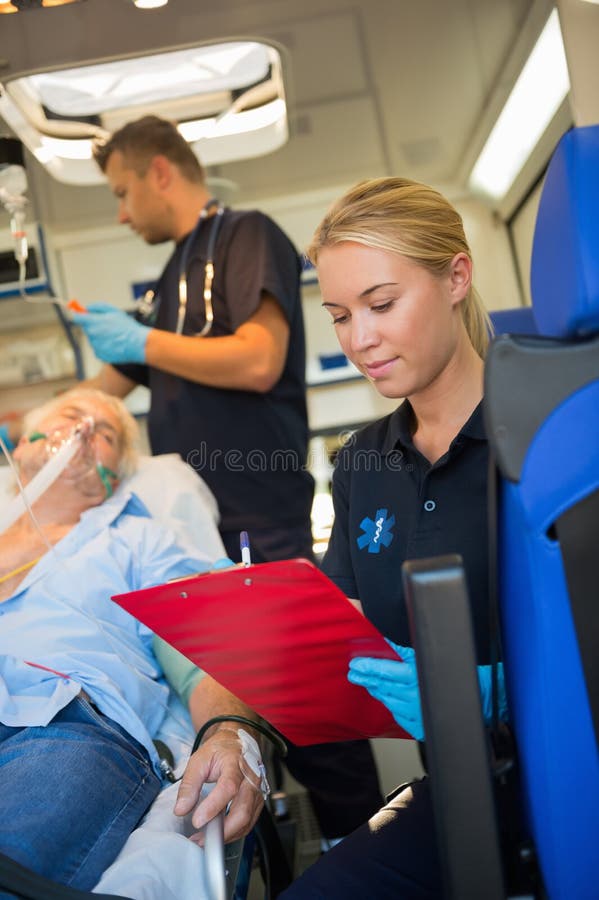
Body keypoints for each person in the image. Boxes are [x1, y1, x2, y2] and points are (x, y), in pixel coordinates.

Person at [71, 115, 383, 844]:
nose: (120, 213)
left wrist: (142, 340)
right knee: (254, 717)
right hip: (201, 538)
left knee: (320, 726)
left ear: (159, 172)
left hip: (261, 524)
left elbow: (257, 360)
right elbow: (108, 385)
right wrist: (44, 423)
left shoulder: (243, 235)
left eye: (121, 193)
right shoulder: (171, 281)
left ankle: (373, 856)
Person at [280, 177, 513, 898]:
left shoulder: (554, 424)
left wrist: (498, 693)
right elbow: (341, 624)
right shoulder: (360, 464)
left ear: (455, 276)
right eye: (340, 316)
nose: (360, 340)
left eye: (381, 305)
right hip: (459, 792)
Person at [0, 387, 266, 895]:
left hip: (60, 722)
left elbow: (200, 649)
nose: (82, 432)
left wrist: (230, 729)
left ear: (114, 476)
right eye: (71, 416)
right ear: (21, 448)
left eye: (103, 434)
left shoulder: (136, 538)